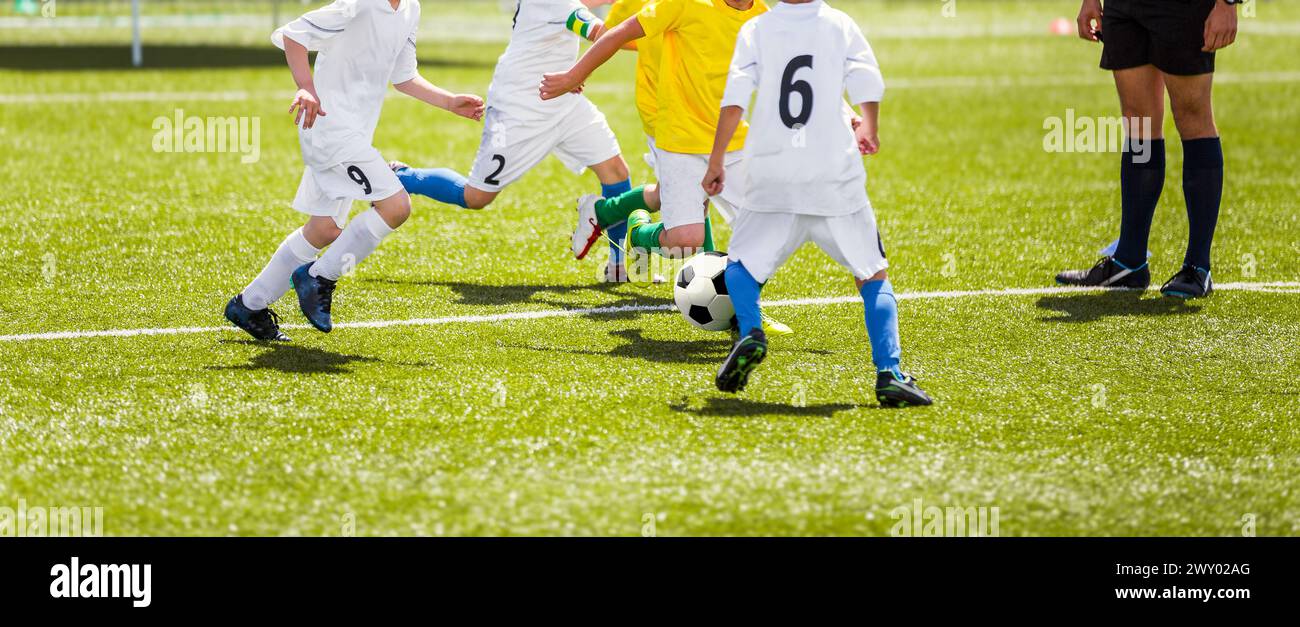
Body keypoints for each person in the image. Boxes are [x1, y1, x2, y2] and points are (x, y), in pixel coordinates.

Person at [703, 0, 932, 406]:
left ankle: (752, 331)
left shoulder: (756, 29)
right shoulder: (839, 25)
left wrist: (718, 159)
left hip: (772, 173)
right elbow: (867, 80)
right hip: (832, 177)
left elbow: (734, 100)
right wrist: (869, 127)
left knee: (741, 265)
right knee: (872, 273)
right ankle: (890, 373)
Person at [224, 0, 484, 339]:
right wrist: (306, 86)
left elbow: (404, 77)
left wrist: (449, 102)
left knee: (324, 229)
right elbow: (294, 36)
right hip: (330, 132)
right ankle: (319, 277)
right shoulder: (359, 4)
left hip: (353, 134)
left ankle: (249, 304)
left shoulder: (410, 9)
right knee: (396, 206)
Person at [541, 0, 794, 334]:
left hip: (729, 136)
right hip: (672, 124)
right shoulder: (685, 5)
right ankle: (638, 232)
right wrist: (573, 71)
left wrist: (845, 114)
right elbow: (614, 32)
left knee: (761, 227)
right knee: (687, 233)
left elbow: (791, 70)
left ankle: (744, 309)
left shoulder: (761, 16)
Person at [390, 0, 638, 281]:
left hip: (563, 101)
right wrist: (658, 31)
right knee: (476, 197)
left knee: (616, 172)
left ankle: (617, 266)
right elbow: (604, 35)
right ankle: (403, 177)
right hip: (518, 109)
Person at [1057, 0, 1240, 298]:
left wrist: (1227, 4)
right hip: (1125, 6)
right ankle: (1129, 262)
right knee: (1138, 123)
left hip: (1184, 9)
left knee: (1192, 116)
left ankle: (1198, 267)